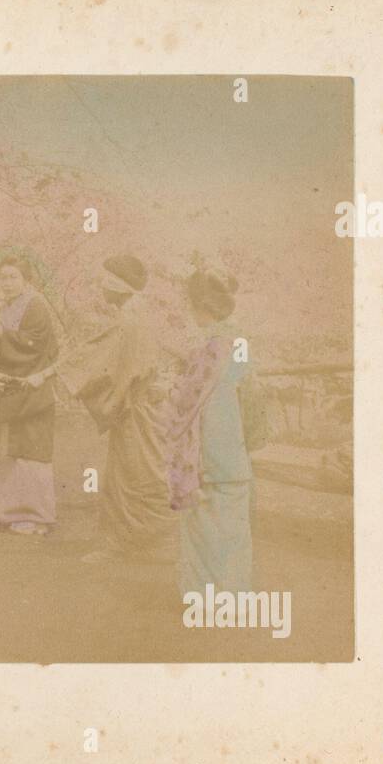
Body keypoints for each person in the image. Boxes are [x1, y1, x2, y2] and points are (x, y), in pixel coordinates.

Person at [60, 254, 179, 564]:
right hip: (147, 409)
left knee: (131, 476)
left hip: (136, 411)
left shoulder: (128, 322)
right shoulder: (141, 317)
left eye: (105, 284)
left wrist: (63, 373)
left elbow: (109, 366)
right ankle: (149, 543)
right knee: (144, 472)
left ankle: (123, 545)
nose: (102, 290)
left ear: (117, 287)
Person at [167, 268, 253, 595]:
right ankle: (233, 593)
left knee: (203, 519)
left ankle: (207, 595)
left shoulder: (210, 347)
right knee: (232, 520)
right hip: (233, 435)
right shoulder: (240, 341)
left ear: (202, 306)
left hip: (208, 437)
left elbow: (187, 397)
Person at [0, 256, 58, 536]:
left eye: (14, 277)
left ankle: (36, 516)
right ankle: (9, 513)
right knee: (11, 451)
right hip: (10, 390)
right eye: (3, 277)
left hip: (31, 386)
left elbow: (36, 345)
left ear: (26, 280)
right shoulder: (4, 307)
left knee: (31, 450)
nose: (8, 283)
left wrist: (3, 334)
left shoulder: (36, 306)